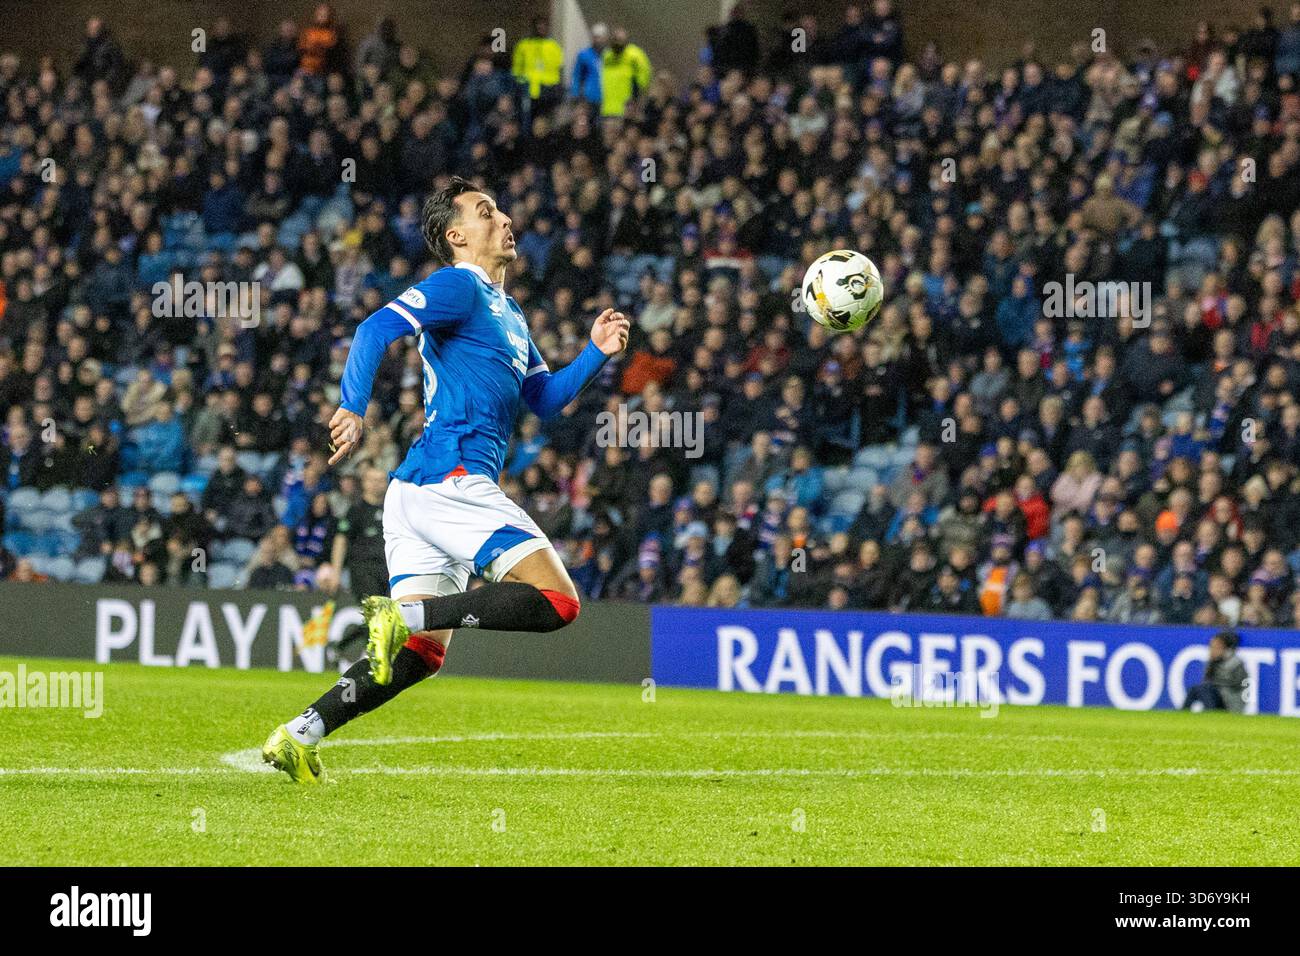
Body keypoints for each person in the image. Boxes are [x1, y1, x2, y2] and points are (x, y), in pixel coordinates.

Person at [263, 176, 630, 782]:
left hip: (414, 493)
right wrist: (353, 405)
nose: (504, 218)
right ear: (456, 236)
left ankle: (300, 734)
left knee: (422, 655)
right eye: (486, 212)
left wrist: (593, 354)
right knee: (559, 601)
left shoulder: (509, 314)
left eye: (502, 209)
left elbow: (542, 398)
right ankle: (398, 616)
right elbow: (373, 328)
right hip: (449, 480)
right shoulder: (460, 286)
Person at [1182, 630, 1248, 713]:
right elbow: (1206, 679)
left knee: (1206, 688)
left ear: (1226, 649)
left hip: (1229, 699)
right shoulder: (1213, 662)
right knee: (1196, 689)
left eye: (1216, 647)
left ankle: (1210, 712)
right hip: (1215, 696)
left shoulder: (1236, 663)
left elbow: (1240, 684)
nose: (1212, 650)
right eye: (1211, 646)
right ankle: (1184, 712)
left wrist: (1217, 684)